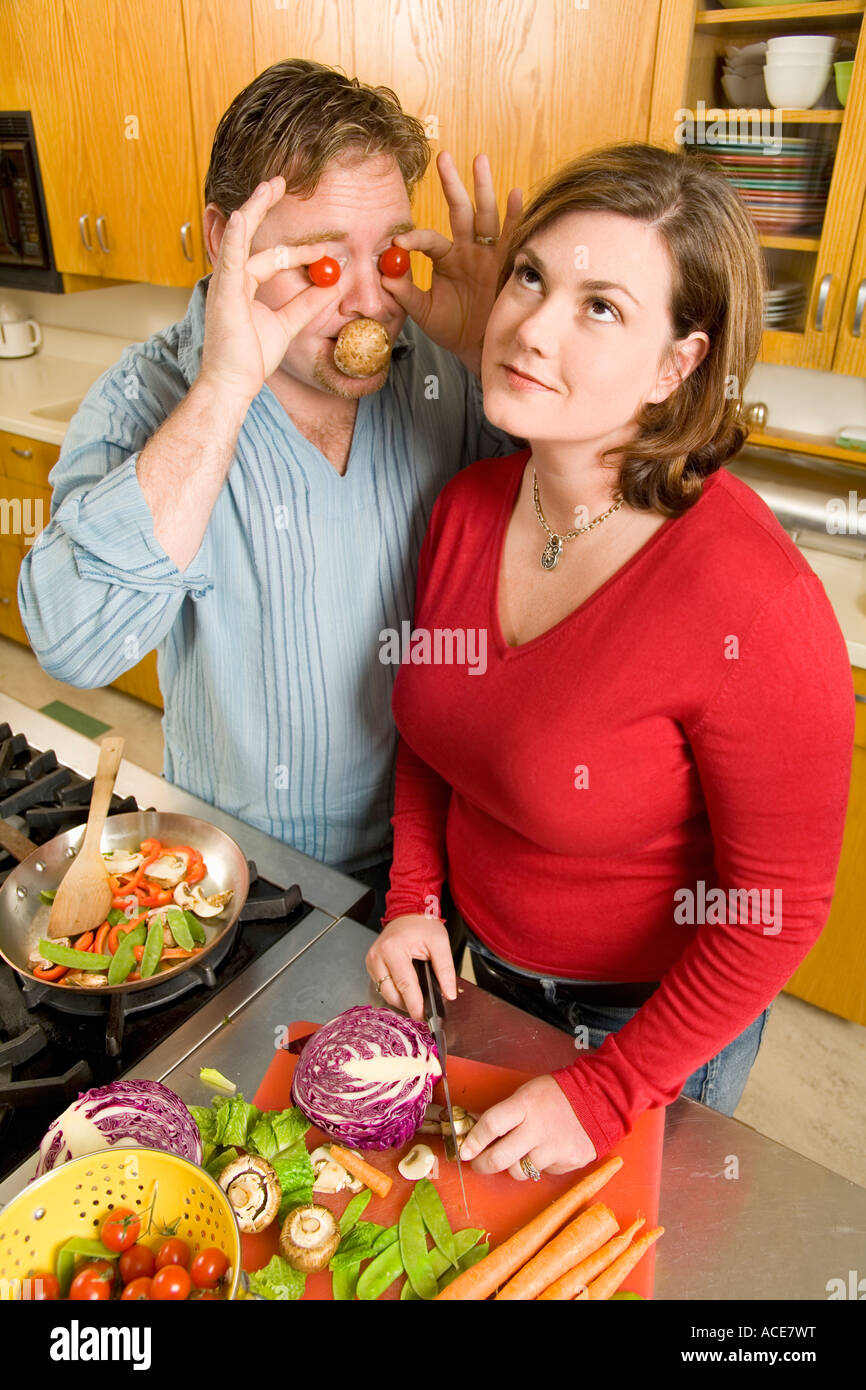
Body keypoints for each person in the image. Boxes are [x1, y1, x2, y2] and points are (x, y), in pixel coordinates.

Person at [365, 142, 855, 1177]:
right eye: (531, 276)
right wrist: (413, 895)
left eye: (600, 306)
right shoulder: (465, 509)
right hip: (478, 979)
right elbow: (432, 730)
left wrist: (607, 1089)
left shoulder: (752, 606)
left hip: (647, 1032)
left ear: (678, 362)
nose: (531, 327)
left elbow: (775, 911)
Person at [17, 60, 523, 928]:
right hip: (233, 874)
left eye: (390, 252)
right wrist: (222, 394)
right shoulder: (146, 402)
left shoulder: (443, 380)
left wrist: (497, 357)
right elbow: (73, 646)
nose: (371, 300)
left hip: (430, 873)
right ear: (227, 238)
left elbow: (573, 555)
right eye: (324, 261)